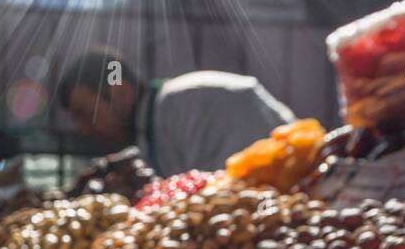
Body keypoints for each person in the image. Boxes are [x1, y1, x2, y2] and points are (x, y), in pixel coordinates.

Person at [56, 48, 296, 176]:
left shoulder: (187, 101)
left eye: (86, 114)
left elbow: (230, 199)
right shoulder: (152, 131)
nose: (84, 129)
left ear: (121, 91)